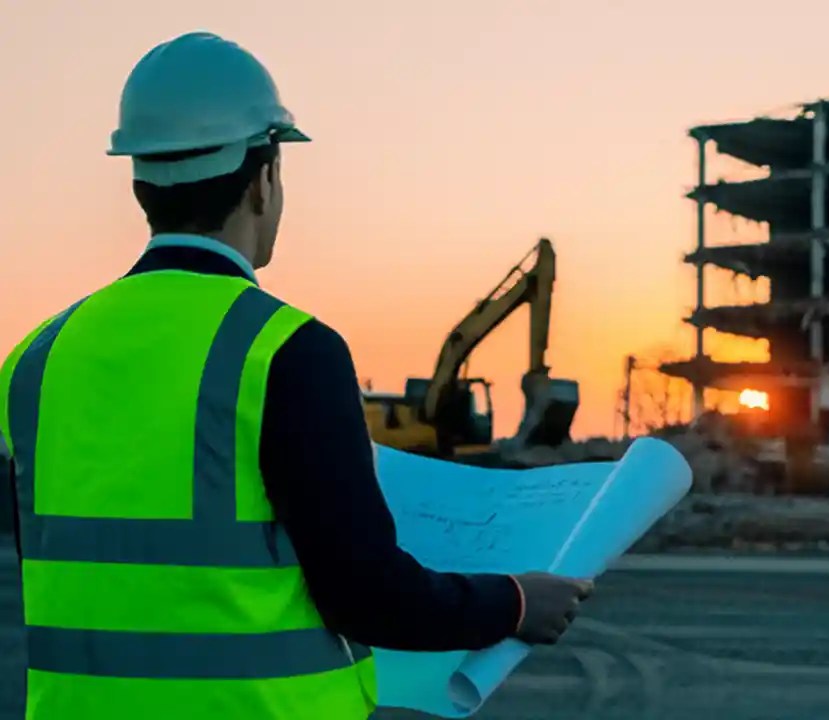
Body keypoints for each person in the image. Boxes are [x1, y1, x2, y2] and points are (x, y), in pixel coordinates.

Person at [0, 31, 592, 719]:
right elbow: (368, 596)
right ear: (263, 179)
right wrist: (517, 602)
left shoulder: (34, 361)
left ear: (139, 182)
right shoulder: (285, 352)